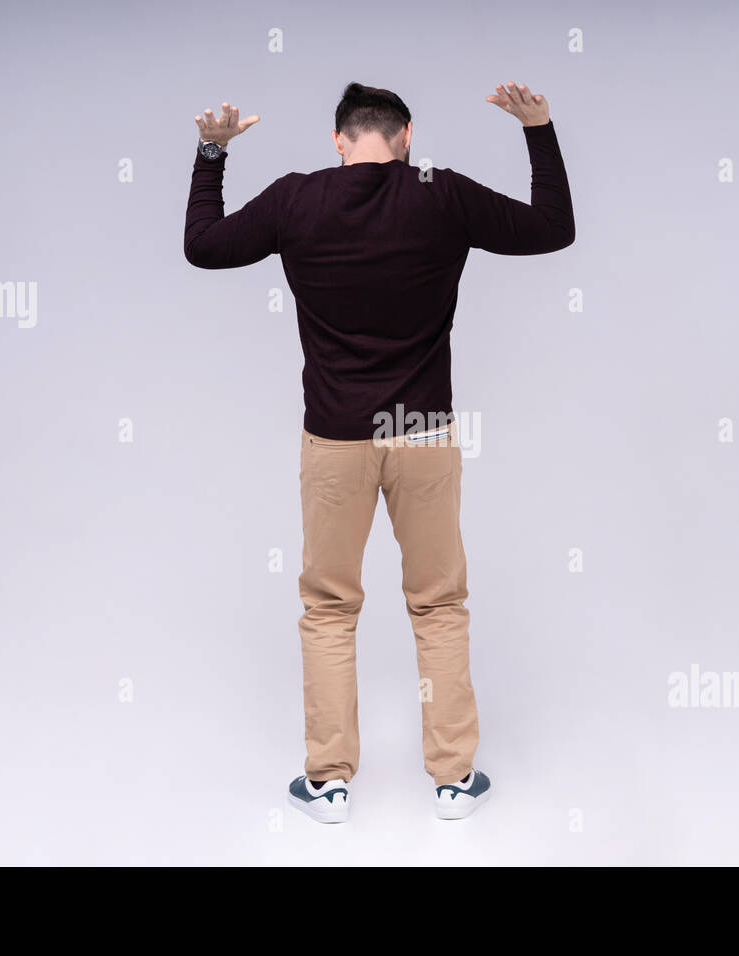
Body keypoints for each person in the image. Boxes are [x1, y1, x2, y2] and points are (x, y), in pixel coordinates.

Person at [184, 81, 574, 822]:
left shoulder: (299, 198)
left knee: (329, 606)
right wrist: (539, 128)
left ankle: (329, 783)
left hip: (335, 437)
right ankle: (455, 782)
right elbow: (553, 227)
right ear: (407, 136)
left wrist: (213, 153)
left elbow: (203, 247)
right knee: (439, 604)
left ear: (339, 139)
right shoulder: (441, 193)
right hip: (421, 432)